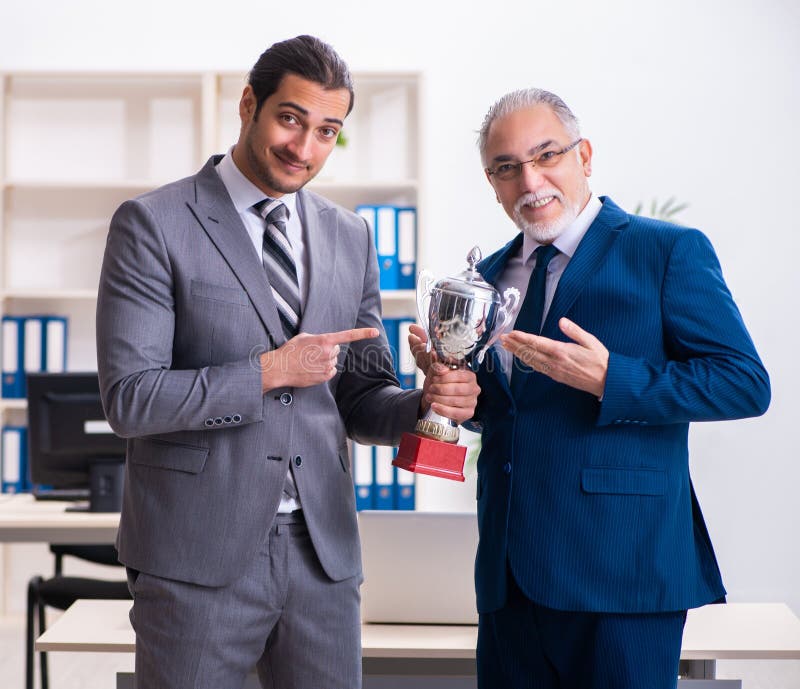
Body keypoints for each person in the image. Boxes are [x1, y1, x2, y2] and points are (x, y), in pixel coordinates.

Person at [96, 35, 479, 689]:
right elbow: (131, 398)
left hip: (321, 554)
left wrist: (424, 403)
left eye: (328, 131)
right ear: (250, 103)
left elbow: (360, 397)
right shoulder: (154, 223)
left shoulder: (349, 235)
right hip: (195, 554)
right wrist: (270, 369)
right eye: (290, 118)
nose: (304, 148)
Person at [411, 88, 770, 688]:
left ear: (584, 156)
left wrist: (615, 381)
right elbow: (508, 414)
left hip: (622, 575)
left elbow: (744, 383)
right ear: (493, 183)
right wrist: (459, 400)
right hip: (509, 577)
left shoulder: (667, 251)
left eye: (546, 154)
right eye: (507, 168)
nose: (530, 180)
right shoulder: (489, 276)